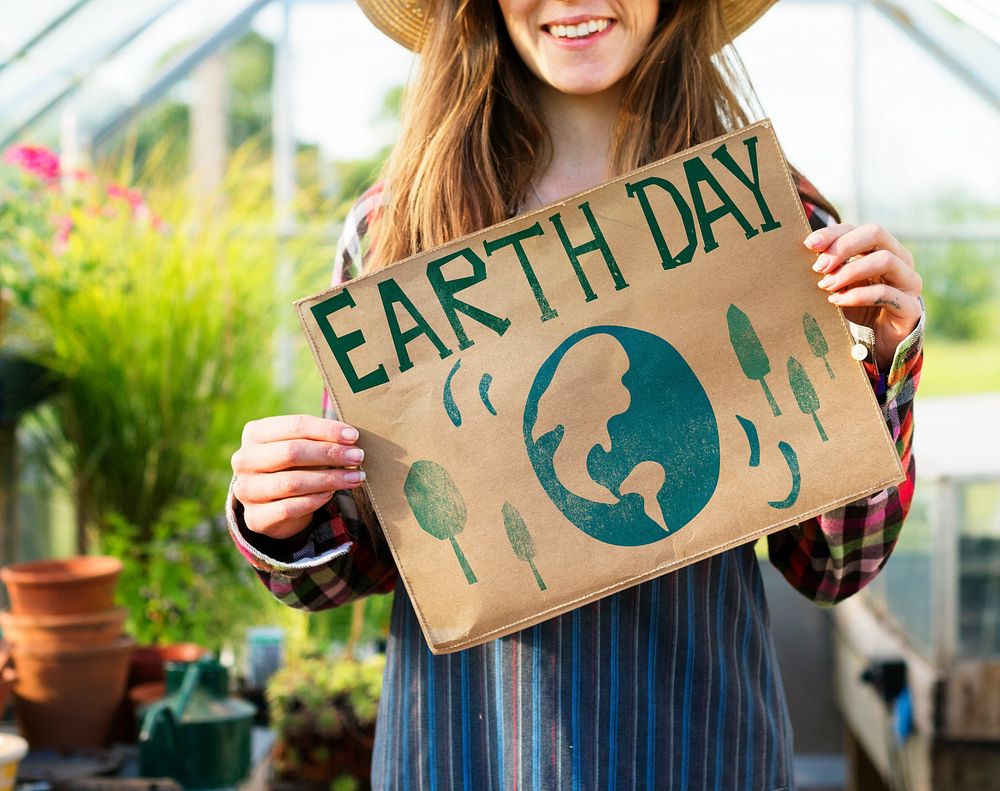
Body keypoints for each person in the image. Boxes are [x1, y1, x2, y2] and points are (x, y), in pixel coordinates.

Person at [228, 1, 924, 787]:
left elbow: (830, 565)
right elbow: (360, 558)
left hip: (697, 749)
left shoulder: (774, 218)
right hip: (471, 754)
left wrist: (885, 362)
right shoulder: (397, 230)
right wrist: (282, 511)